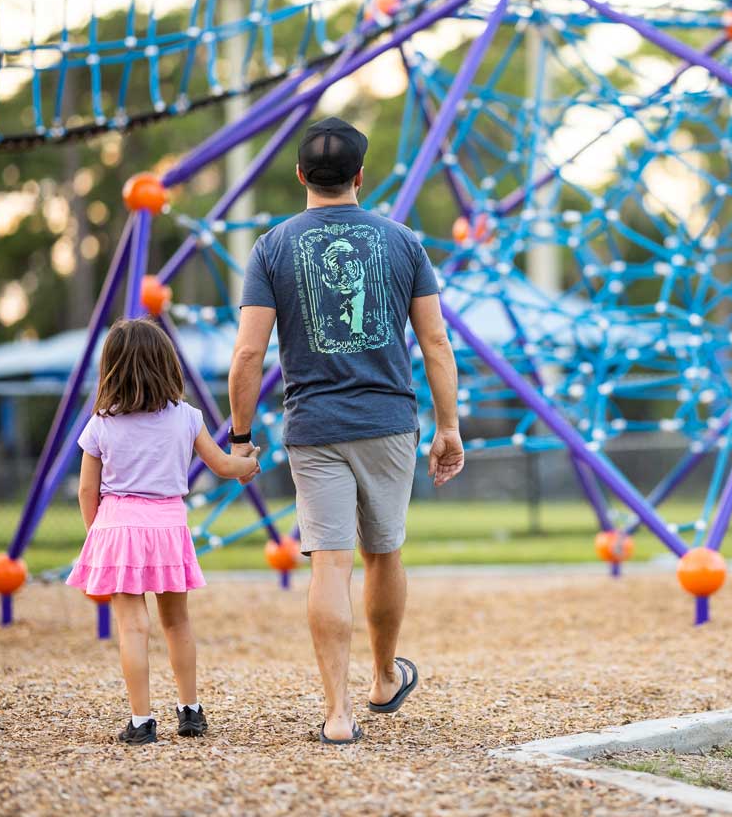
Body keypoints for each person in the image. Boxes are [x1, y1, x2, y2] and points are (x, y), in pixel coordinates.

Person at [228, 116, 465, 746]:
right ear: (360, 176)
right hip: (388, 422)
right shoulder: (403, 242)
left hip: (313, 425)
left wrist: (241, 437)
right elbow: (436, 342)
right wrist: (448, 426)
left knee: (330, 565)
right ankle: (384, 679)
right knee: (383, 551)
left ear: (300, 175)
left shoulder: (271, 247)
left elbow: (248, 353)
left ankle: (337, 714)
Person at [67, 318, 261, 745]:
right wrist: (247, 463)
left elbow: (86, 490)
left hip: (118, 527)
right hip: (168, 526)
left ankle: (141, 721)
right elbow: (223, 465)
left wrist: (96, 536)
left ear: (111, 369)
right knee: (177, 622)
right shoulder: (186, 418)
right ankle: (190, 711)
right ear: (167, 365)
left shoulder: (100, 423)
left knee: (132, 627)